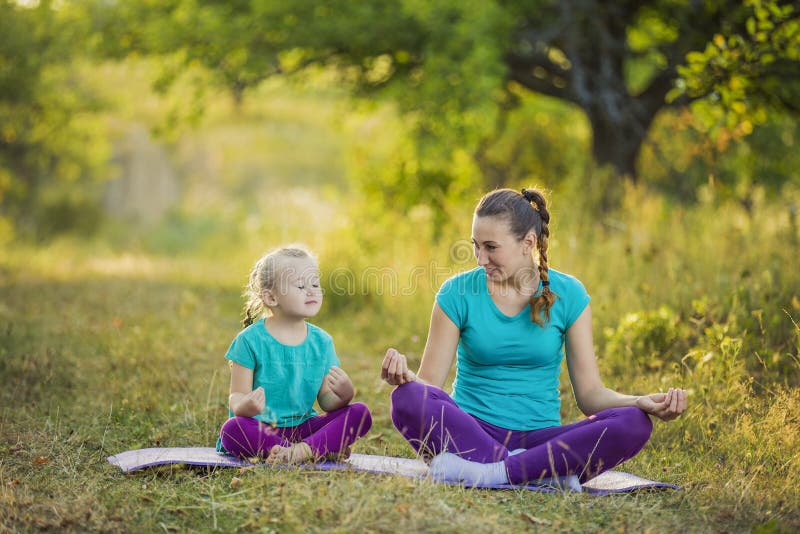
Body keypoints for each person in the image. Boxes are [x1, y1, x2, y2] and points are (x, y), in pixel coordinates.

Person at [381, 188, 687, 486]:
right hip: (471, 430)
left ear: (528, 241)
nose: (480, 259)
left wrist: (638, 401)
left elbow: (590, 395)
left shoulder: (569, 294)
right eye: (476, 245)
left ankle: (494, 472)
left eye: (491, 247)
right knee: (406, 399)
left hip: (541, 439)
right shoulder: (456, 292)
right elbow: (430, 387)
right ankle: (536, 471)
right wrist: (406, 377)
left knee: (633, 422)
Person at [218, 246, 372, 464]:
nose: (311, 291)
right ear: (271, 297)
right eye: (300, 286)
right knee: (232, 429)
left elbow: (327, 401)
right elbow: (236, 397)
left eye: (315, 284)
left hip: (305, 429)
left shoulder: (322, 342)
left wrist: (345, 395)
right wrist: (246, 406)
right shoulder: (249, 340)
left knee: (360, 413)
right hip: (262, 429)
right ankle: (316, 449)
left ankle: (300, 451)